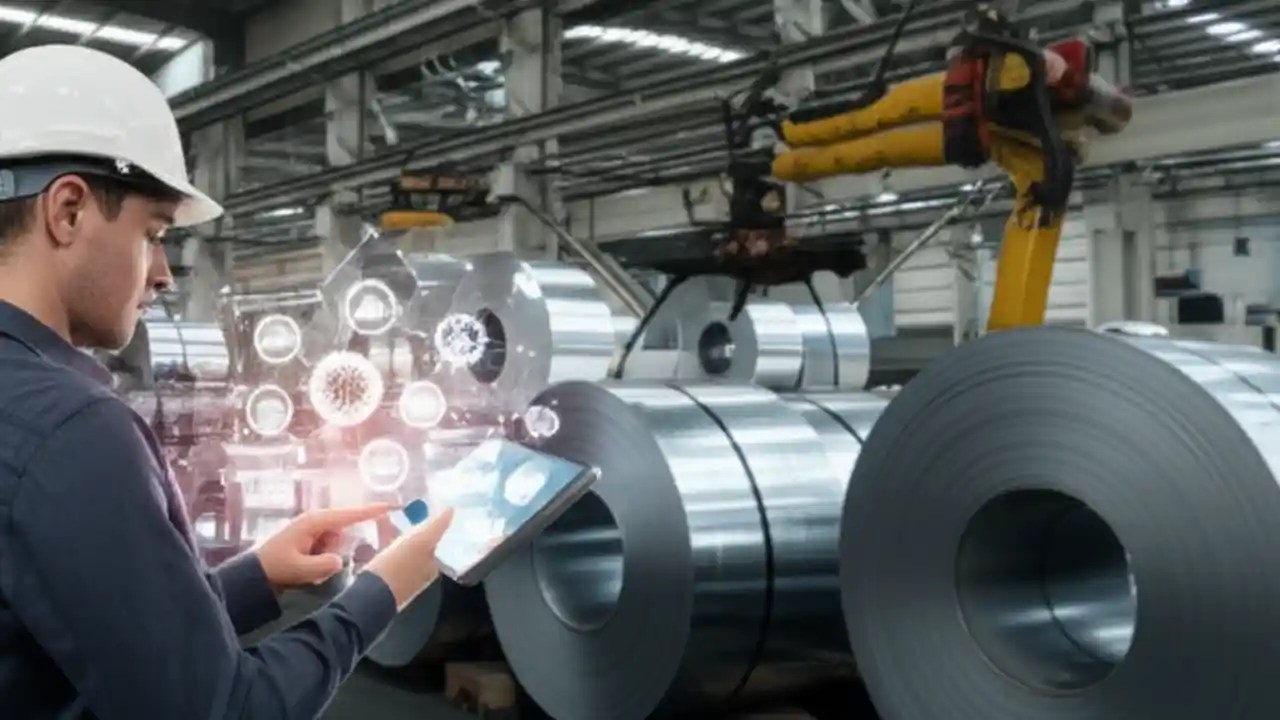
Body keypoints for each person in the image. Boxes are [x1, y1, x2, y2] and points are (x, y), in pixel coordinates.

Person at [0, 44, 455, 719]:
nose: (161, 273)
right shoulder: (73, 430)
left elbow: (78, 631)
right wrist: (382, 593)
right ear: (68, 211)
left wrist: (255, 576)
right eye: (153, 234)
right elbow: (222, 710)